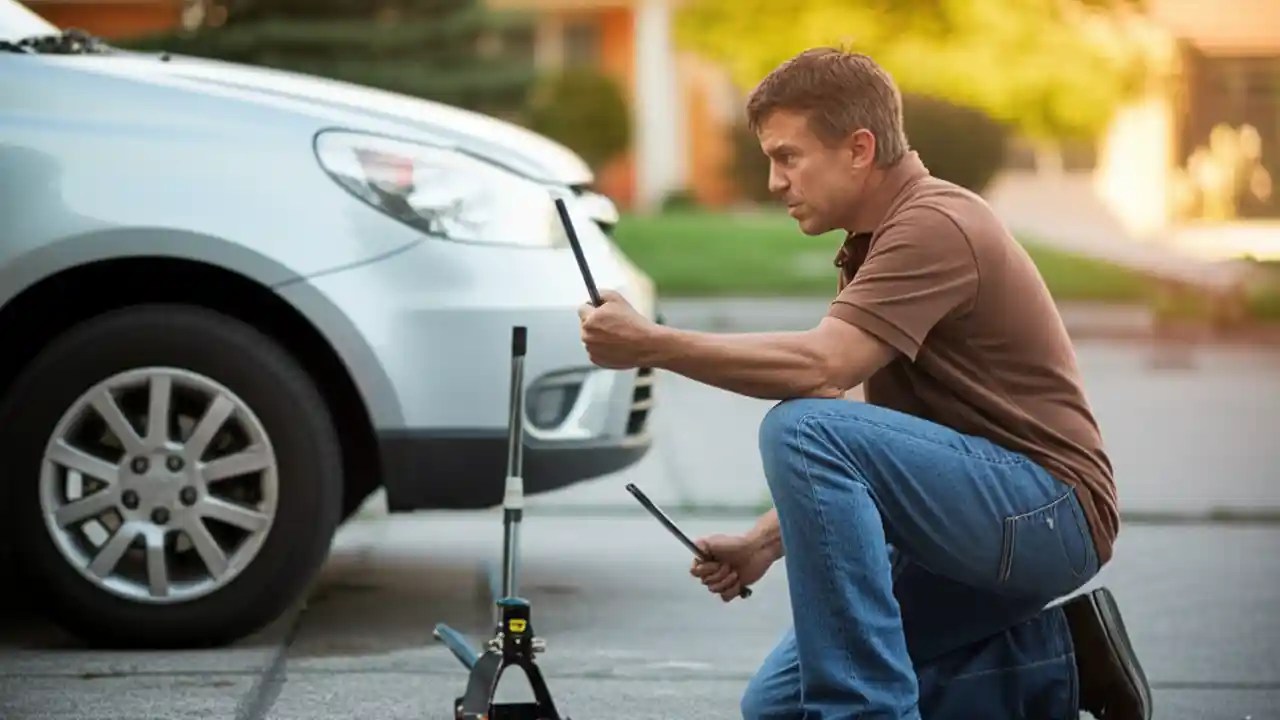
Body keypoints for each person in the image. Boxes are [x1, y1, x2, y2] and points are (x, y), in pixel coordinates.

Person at [577, 47, 1151, 720]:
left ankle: (869, 714)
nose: (773, 181)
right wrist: (763, 544)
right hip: (981, 519)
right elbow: (853, 415)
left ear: (858, 148)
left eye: (787, 157)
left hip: (1047, 513)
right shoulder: (879, 241)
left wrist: (653, 344)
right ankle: (1063, 665)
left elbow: (823, 371)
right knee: (779, 708)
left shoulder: (935, 225)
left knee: (799, 428)